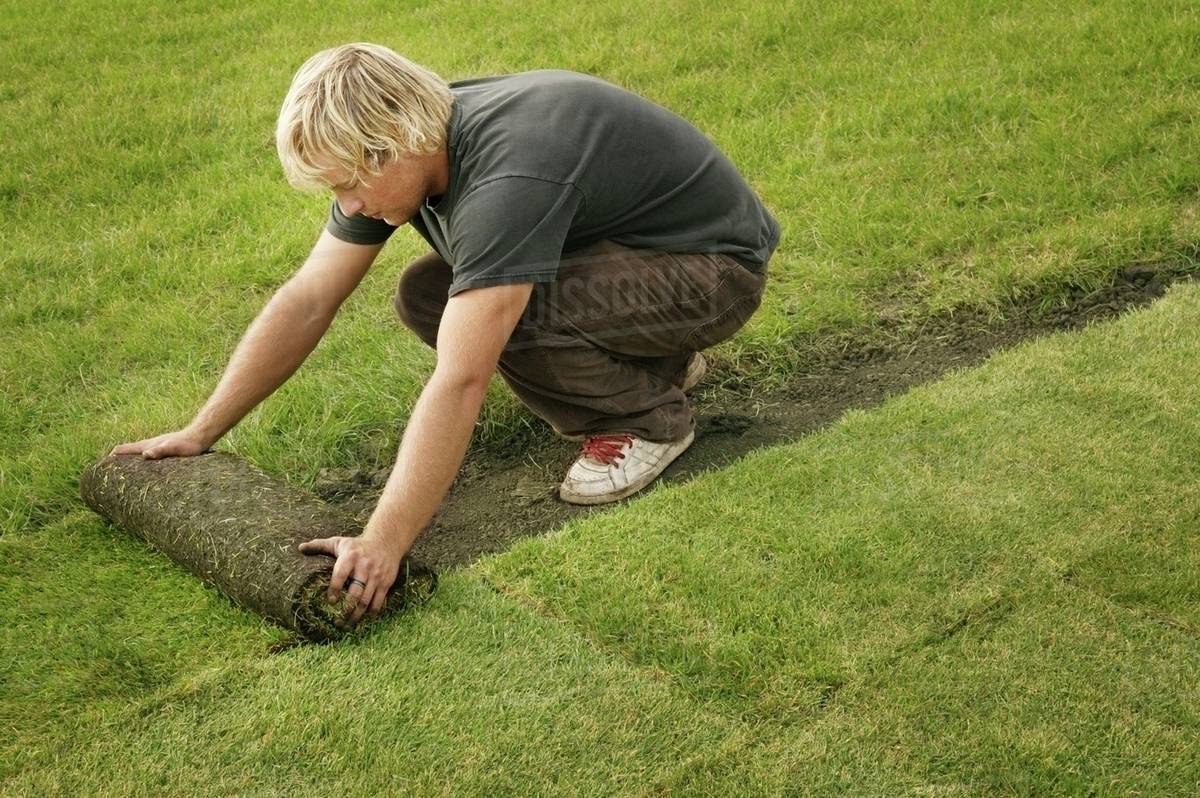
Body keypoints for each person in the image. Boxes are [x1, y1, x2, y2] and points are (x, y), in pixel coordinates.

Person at [111, 43, 780, 628]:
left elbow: (462, 378)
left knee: (497, 318)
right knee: (428, 294)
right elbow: (309, 297)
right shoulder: (418, 141)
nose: (348, 206)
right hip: (639, 254)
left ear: (394, 140)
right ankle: (655, 361)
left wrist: (382, 542)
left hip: (714, 275)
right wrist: (202, 431)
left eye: (349, 184)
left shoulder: (507, 179)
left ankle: (647, 419)